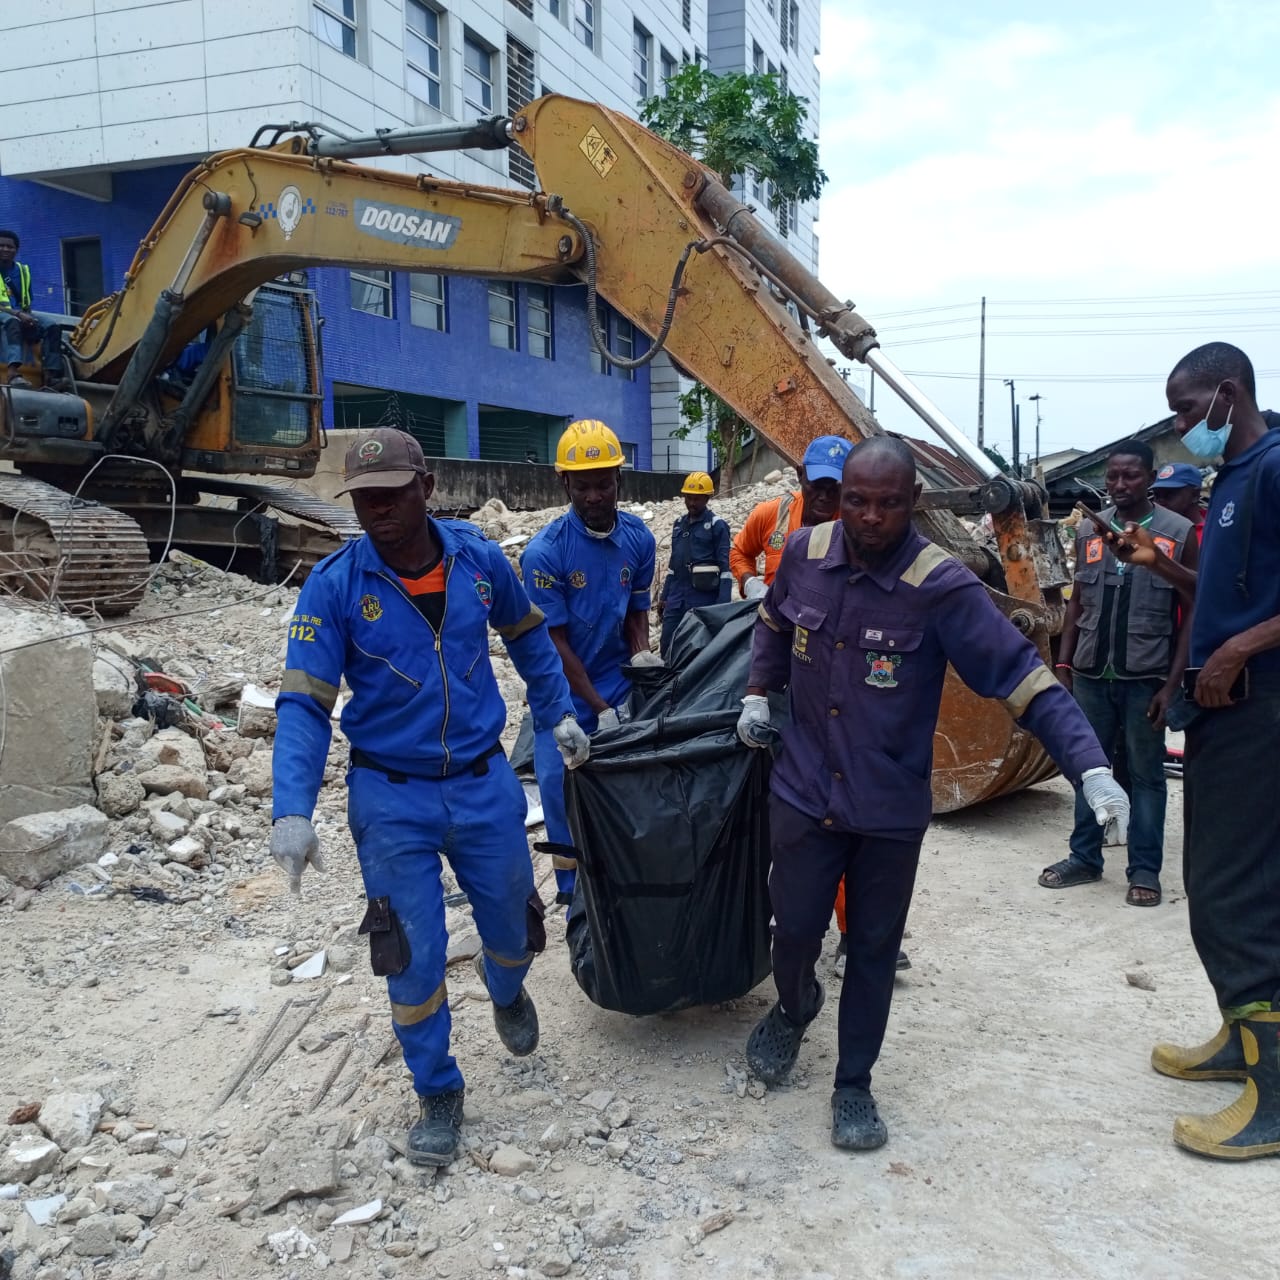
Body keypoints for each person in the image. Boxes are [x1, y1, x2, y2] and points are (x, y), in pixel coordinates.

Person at [736, 436, 1126, 1151]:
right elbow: (774, 623)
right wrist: (759, 691)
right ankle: (794, 1007)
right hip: (803, 792)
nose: (870, 517)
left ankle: (854, 1083)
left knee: (873, 949)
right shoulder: (804, 554)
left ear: (914, 502)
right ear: (840, 496)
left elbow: (1022, 676)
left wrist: (1089, 766)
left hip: (886, 810)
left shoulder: (941, 587)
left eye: (888, 504)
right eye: (857, 500)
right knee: (791, 932)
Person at [269, 427, 589, 1167]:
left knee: (515, 927)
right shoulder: (335, 585)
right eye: (365, 499)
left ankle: (505, 988)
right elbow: (305, 703)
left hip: (482, 782)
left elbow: (529, 636)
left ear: (427, 488)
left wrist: (558, 715)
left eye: (392, 494)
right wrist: (292, 809)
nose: (378, 511)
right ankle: (437, 1090)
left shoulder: (479, 560)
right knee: (409, 955)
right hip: (390, 798)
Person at [1124, 342, 1280, 1161]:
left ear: (1228, 393)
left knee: (1234, 889)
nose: (1183, 428)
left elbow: (1245, 626)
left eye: (1187, 411)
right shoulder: (1235, 479)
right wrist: (1162, 568)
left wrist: (1239, 649)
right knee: (1216, 879)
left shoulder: (1275, 467)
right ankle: (1240, 1040)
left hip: (1261, 708)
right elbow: (1225, 597)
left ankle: (1276, 1095)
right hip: (1224, 709)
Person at [1038, 440, 1197, 907]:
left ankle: (1144, 870)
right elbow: (1077, 603)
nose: (1120, 484)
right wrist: (1063, 665)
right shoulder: (1091, 529)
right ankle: (1084, 857)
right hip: (1090, 674)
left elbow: (1193, 610)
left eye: (1130, 476)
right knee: (1088, 770)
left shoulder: (1177, 533)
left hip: (1146, 678)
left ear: (1150, 478)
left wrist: (1172, 685)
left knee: (1146, 777)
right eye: (1112, 476)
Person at [521, 419, 658, 903]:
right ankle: (573, 901)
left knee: (627, 798)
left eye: (604, 484)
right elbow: (554, 644)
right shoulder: (545, 554)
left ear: (619, 479)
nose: (595, 496)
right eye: (583, 487)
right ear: (565, 485)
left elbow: (636, 613)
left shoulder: (639, 540)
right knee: (562, 800)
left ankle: (625, 892)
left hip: (617, 689)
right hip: (563, 701)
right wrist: (598, 708)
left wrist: (642, 656)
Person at [730, 435, 852, 600]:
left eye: (835, 489)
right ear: (800, 475)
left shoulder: (854, 527)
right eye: (817, 485)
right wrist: (749, 582)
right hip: (774, 614)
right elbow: (740, 552)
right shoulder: (771, 514)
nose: (824, 497)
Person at [656, 470, 732, 656]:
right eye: (688, 498)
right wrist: (664, 597)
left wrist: (722, 607)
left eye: (696, 499)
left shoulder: (717, 526)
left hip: (703, 602)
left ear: (707, 498)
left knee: (698, 652)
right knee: (667, 646)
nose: (691, 503)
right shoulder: (678, 524)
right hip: (676, 600)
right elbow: (673, 566)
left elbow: (725, 569)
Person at [0, 230, 66, 388]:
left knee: (52, 326)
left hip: (20, 313)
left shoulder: (23, 271)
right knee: (12, 322)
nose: (5, 249)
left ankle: (51, 376)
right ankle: (12, 374)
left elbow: (26, 300)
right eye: (1, 246)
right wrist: (18, 314)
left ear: (16, 250)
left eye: (10, 246)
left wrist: (29, 318)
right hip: (7, 314)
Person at [1151, 462, 1206, 545]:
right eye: (1157, 495)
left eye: (1169, 495)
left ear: (1194, 495)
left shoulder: (1211, 532)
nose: (1160, 503)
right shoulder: (1154, 528)